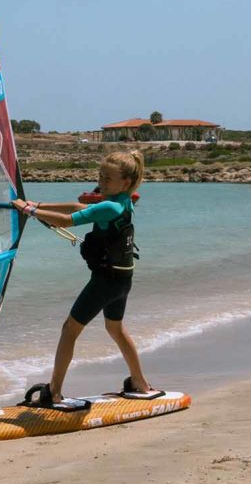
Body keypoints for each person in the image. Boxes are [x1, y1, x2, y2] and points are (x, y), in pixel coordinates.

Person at [12, 150, 157, 411]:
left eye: (108, 178)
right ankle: (140, 383)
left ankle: (54, 392)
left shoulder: (110, 206)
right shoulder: (124, 202)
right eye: (100, 176)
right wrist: (38, 205)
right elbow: (80, 207)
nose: (101, 182)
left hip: (105, 282)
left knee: (70, 329)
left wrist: (31, 212)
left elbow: (69, 219)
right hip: (122, 280)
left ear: (125, 182)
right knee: (115, 329)